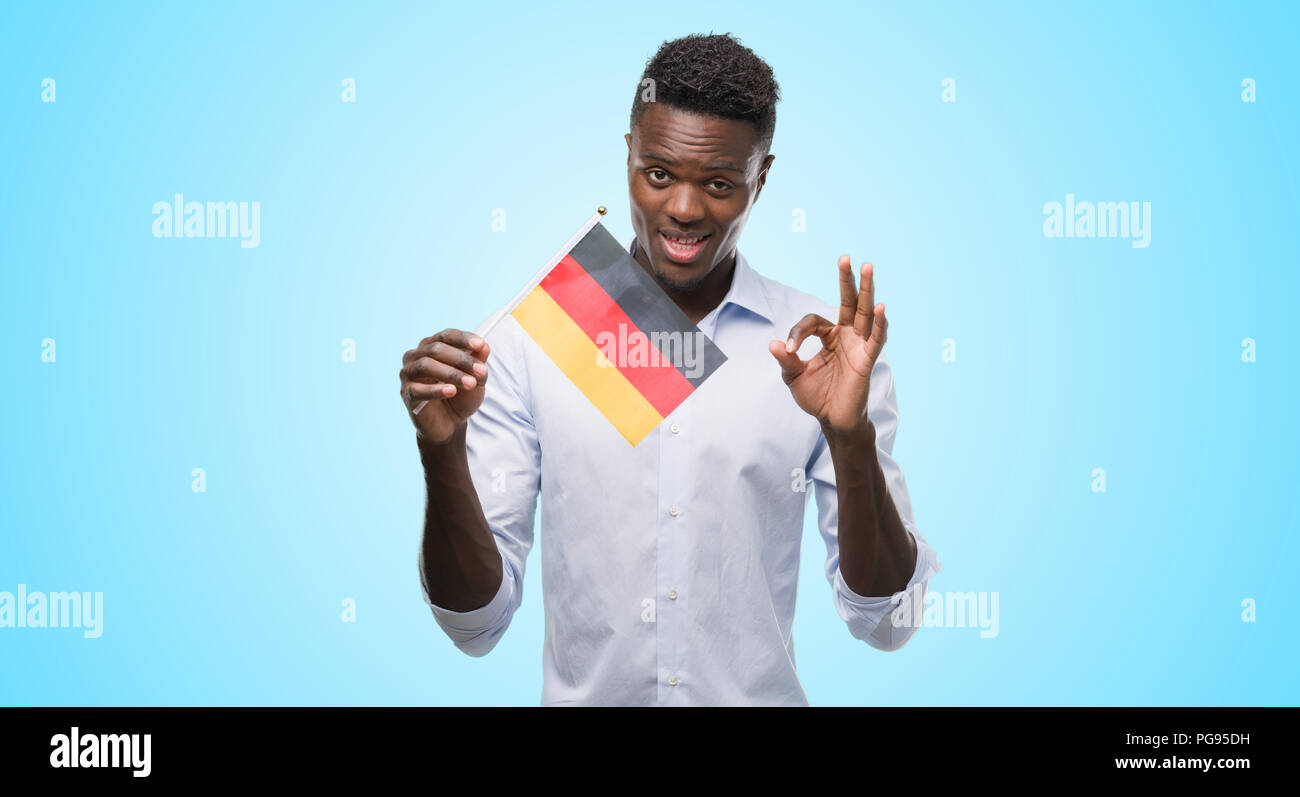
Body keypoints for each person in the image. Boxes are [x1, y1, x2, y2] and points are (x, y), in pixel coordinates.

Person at [399, 33, 941, 706]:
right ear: (627, 155)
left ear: (760, 178)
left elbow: (890, 620)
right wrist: (441, 450)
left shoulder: (825, 354)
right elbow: (475, 623)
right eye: (659, 174)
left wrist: (850, 436)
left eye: (718, 183)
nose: (684, 210)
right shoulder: (535, 342)